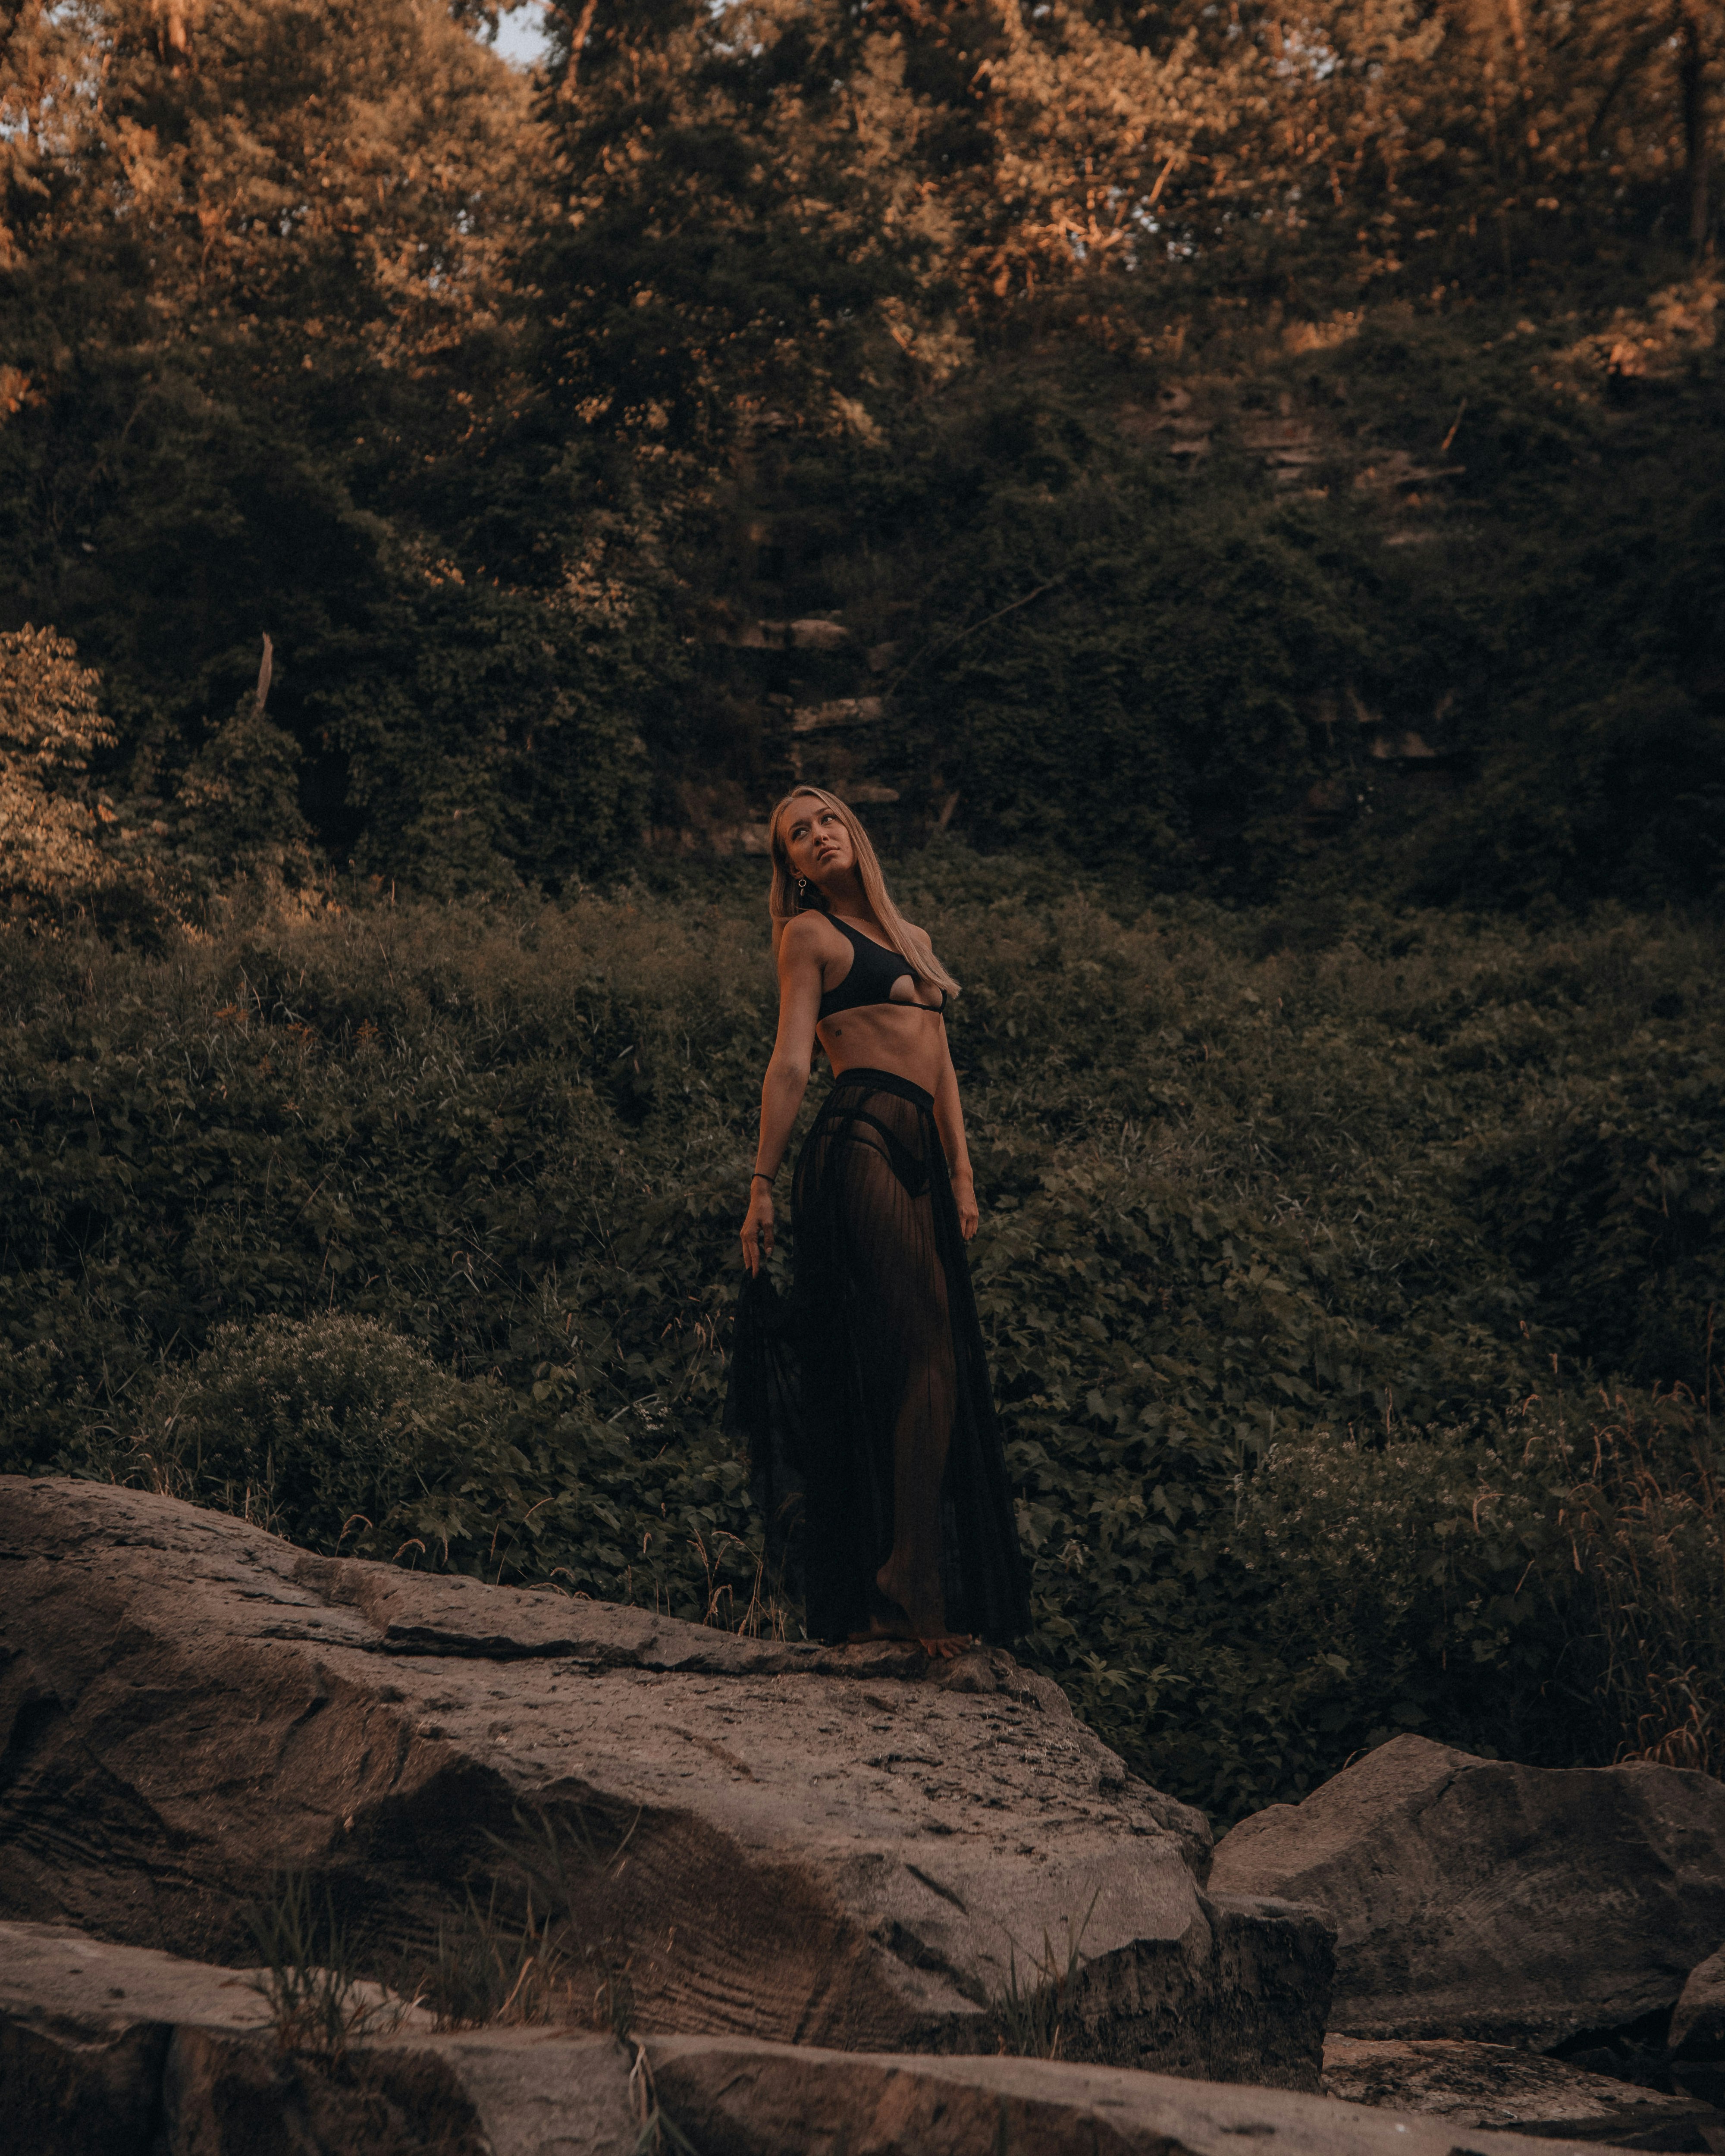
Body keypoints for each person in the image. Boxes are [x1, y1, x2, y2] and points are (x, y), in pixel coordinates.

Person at [725, 785, 1029, 1654]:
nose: (818, 836)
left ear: (851, 832)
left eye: (825, 820)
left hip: (920, 1156)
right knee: (925, 1350)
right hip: (855, 1141)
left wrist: (963, 1169)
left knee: (926, 1361)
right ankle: (908, 1577)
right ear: (790, 867)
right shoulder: (808, 937)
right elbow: (789, 1065)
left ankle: (905, 1569)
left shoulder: (915, 940)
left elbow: (939, 1062)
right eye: (797, 834)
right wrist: (760, 1182)